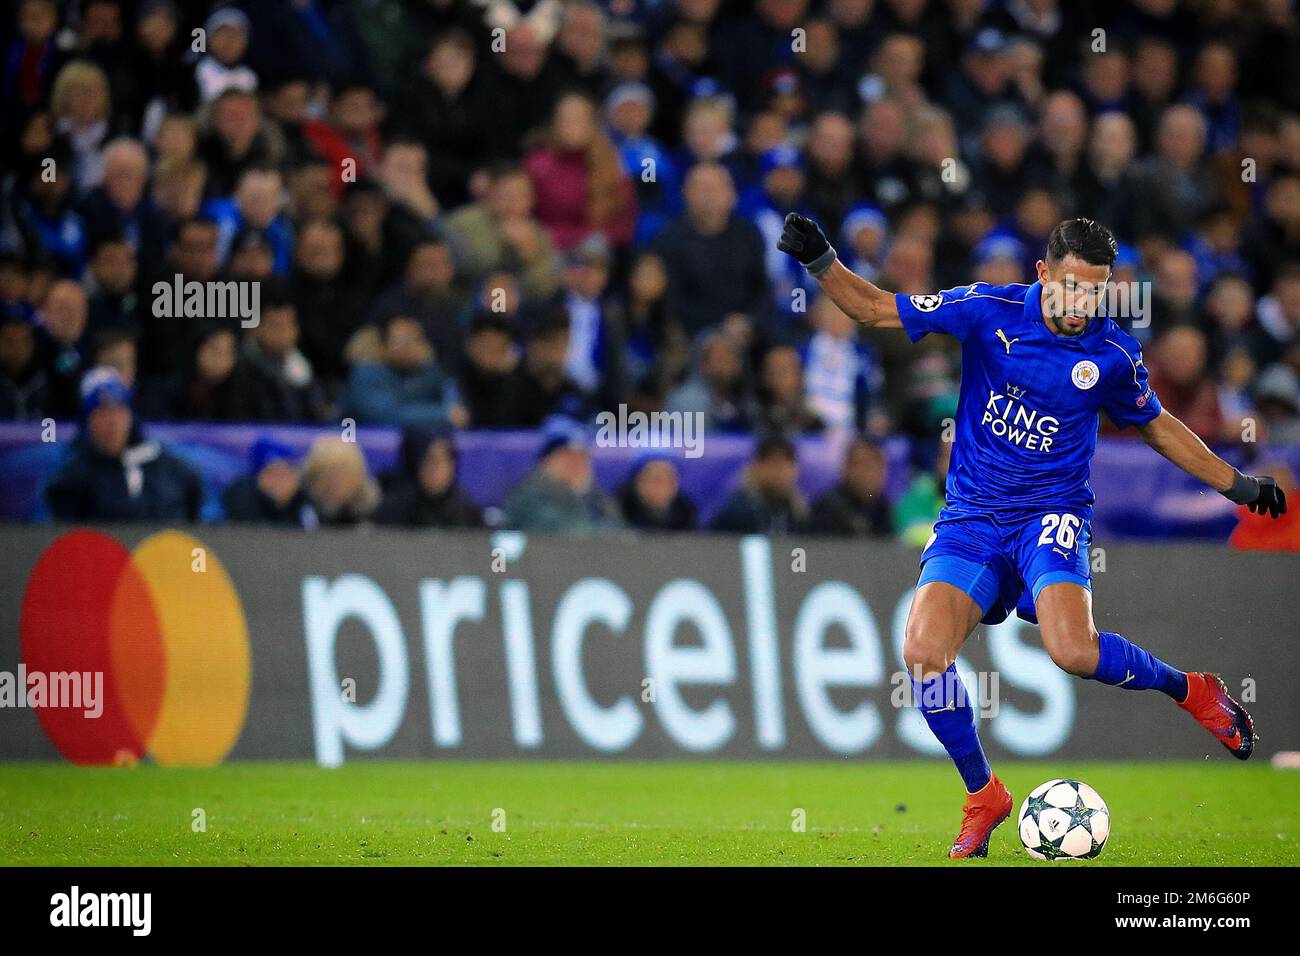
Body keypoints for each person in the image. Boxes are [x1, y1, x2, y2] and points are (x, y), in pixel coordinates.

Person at [780, 212, 1286, 859]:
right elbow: (875, 309)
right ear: (1044, 274)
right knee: (923, 657)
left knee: (1073, 652)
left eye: (1095, 290)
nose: (1082, 303)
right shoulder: (985, 309)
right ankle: (983, 794)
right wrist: (821, 258)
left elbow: (1157, 426)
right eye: (1072, 286)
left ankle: (1190, 689)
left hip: (1050, 516)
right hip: (971, 518)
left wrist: (1236, 484)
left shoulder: (1110, 355)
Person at [45, 366, 202, 522]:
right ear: (87, 422)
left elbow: (203, 521)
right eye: (101, 412)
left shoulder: (169, 466)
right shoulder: (69, 479)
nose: (112, 421)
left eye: (119, 409)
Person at [501, 417, 622, 534]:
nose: (576, 463)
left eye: (582, 457)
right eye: (567, 456)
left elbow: (623, 532)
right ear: (546, 461)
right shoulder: (530, 497)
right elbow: (562, 533)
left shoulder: (597, 498)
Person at [374, 427, 482, 529]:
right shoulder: (392, 510)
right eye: (430, 460)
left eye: (447, 460)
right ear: (414, 463)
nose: (439, 469)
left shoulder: (465, 510)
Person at [711, 433, 806, 534]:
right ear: (757, 466)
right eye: (774, 463)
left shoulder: (798, 511)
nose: (781, 471)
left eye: (788, 465)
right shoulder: (737, 511)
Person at [221, 436, 317, 527]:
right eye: (273, 474)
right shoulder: (242, 495)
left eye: (286, 474)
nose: (281, 482)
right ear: (258, 476)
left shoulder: (302, 499)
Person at [808, 438, 893, 537]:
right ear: (847, 469)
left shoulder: (882, 507)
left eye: (879, 466)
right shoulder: (827, 508)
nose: (872, 474)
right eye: (866, 466)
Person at [618, 453, 696, 531]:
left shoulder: (686, 513)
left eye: (668, 481)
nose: (660, 488)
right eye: (655, 480)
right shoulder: (619, 509)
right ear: (637, 482)